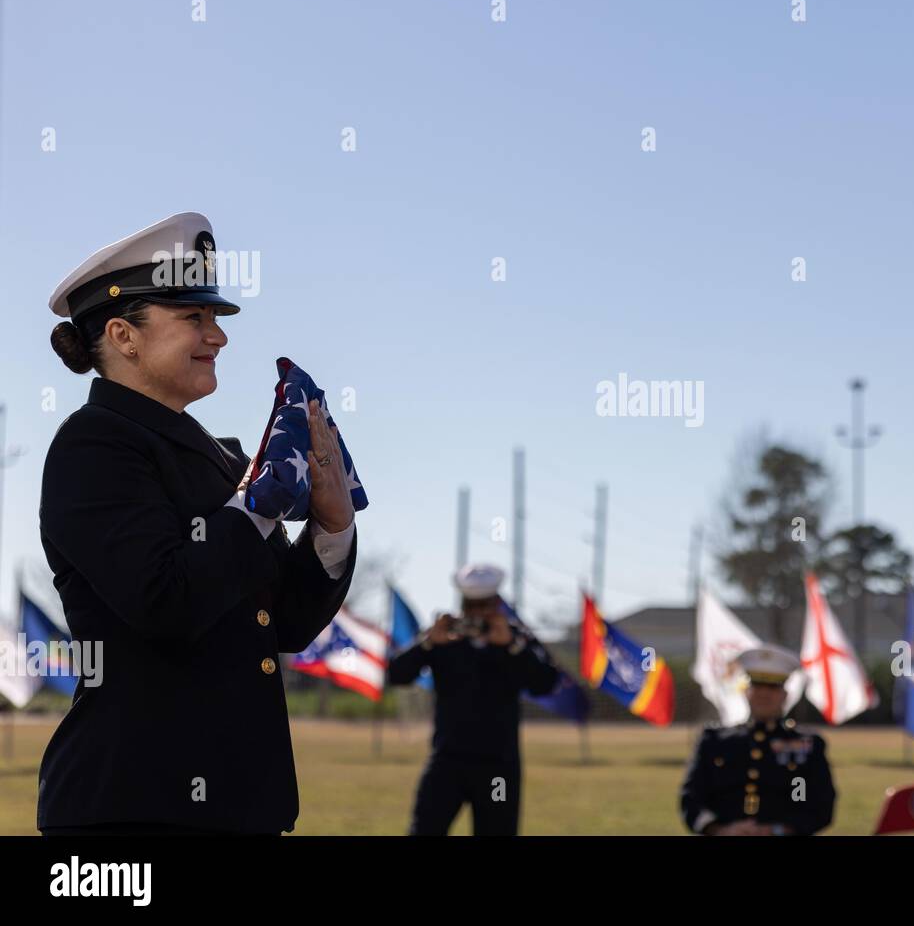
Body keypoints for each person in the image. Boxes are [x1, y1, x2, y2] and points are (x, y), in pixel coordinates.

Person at [38, 212, 358, 835]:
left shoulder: (226, 460)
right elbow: (167, 602)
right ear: (122, 335)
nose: (218, 336)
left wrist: (331, 525)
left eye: (215, 319)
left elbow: (283, 624)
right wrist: (257, 506)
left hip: (241, 808)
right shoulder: (94, 445)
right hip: (132, 812)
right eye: (194, 318)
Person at [388, 563, 558, 835]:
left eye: (486, 606)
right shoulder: (446, 637)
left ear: (498, 605)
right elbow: (396, 674)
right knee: (424, 830)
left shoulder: (517, 638)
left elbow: (546, 683)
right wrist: (428, 643)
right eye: (472, 606)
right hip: (447, 760)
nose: (478, 614)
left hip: (498, 767)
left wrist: (512, 647)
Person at [680, 645, 835, 835]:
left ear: (785, 695)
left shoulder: (808, 744)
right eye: (758, 685)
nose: (764, 694)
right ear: (746, 692)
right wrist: (719, 829)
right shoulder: (714, 741)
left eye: (773, 687)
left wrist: (778, 830)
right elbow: (692, 798)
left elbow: (820, 804)